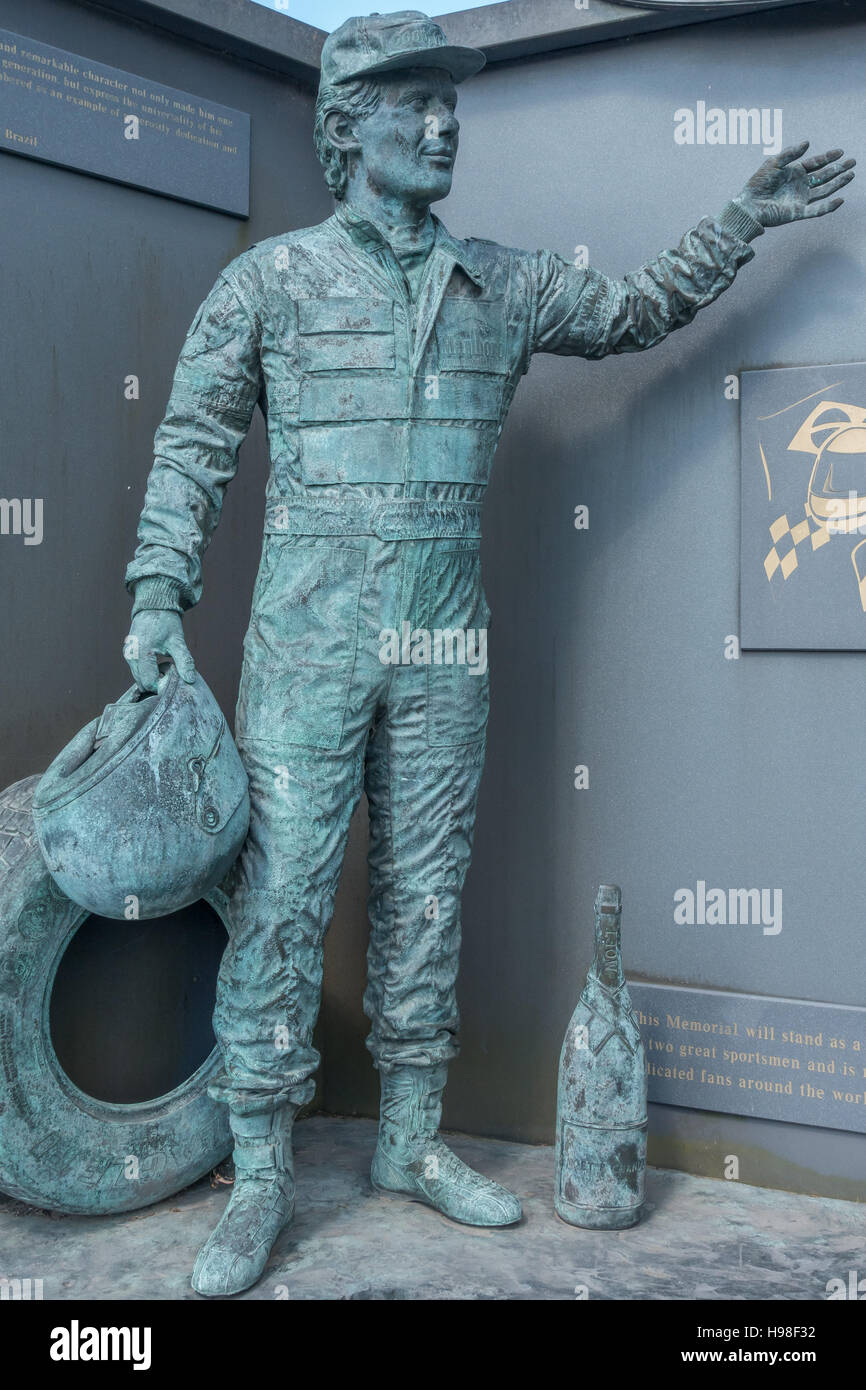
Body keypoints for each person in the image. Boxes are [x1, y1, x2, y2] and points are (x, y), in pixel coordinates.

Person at [123, 10, 854, 1296]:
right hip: (304, 641)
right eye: (415, 103)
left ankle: (408, 1143)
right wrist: (154, 600)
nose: (445, 122)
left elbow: (635, 311)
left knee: (425, 886)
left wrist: (743, 221)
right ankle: (258, 1177)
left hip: (442, 640)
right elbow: (191, 445)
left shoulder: (503, 284)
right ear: (347, 128)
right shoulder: (272, 284)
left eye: (449, 102)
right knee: (283, 898)